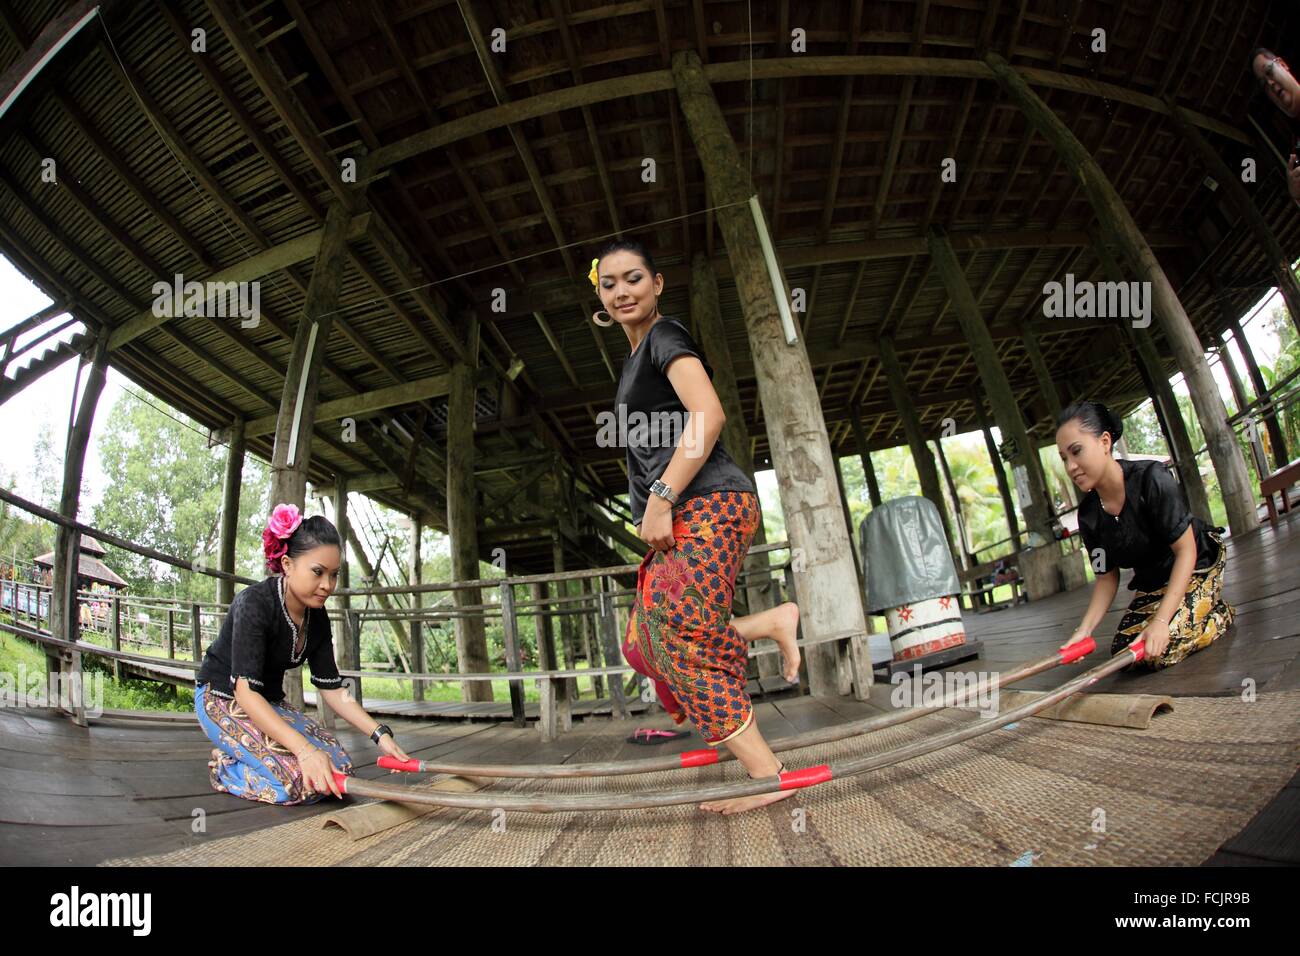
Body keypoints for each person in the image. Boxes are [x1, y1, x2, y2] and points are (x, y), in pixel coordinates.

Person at [591, 238, 803, 815]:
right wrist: (652, 506)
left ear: (657, 284)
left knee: (680, 638)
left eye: (633, 278)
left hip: (709, 503)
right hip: (682, 511)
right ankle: (772, 621)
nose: (621, 291)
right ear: (600, 296)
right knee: (642, 643)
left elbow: (709, 414)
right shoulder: (634, 359)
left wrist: (660, 496)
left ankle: (767, 775)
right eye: (609, 284)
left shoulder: (666, 336)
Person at [194, 504, 410, 805]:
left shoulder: (317, 617)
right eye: (318, 572)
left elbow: (332, 689)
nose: (327, 585)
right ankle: (226, 768)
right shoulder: (253, 604)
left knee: (338, 771)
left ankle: (245, 754)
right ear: (287, 564)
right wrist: (305, 751)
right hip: (222, 699)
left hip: (269, 704)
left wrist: (380, 734)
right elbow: (244, 693)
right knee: (301, 781)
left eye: (334, 575)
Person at [1056, 401, 1235, 669]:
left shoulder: (1152, 479)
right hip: (1154, 583)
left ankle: (1219, 614)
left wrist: (1161, 622)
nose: (1071, 466)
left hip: (1197, 565)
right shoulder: (1088, 516)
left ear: (1105, 442)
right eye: (1064, 458)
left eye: (1076, 452)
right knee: (1126, 652)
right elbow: (1106, 578)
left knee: (1160, 649)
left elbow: (1186, 551)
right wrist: (1084, 631)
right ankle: (1184, 615)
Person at [1249, 47, 1300, 207]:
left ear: (1282, 64)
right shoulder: (1295, 150)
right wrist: (1297, 196)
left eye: (1269, 72)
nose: (1270, 83)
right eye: (1264, 85)